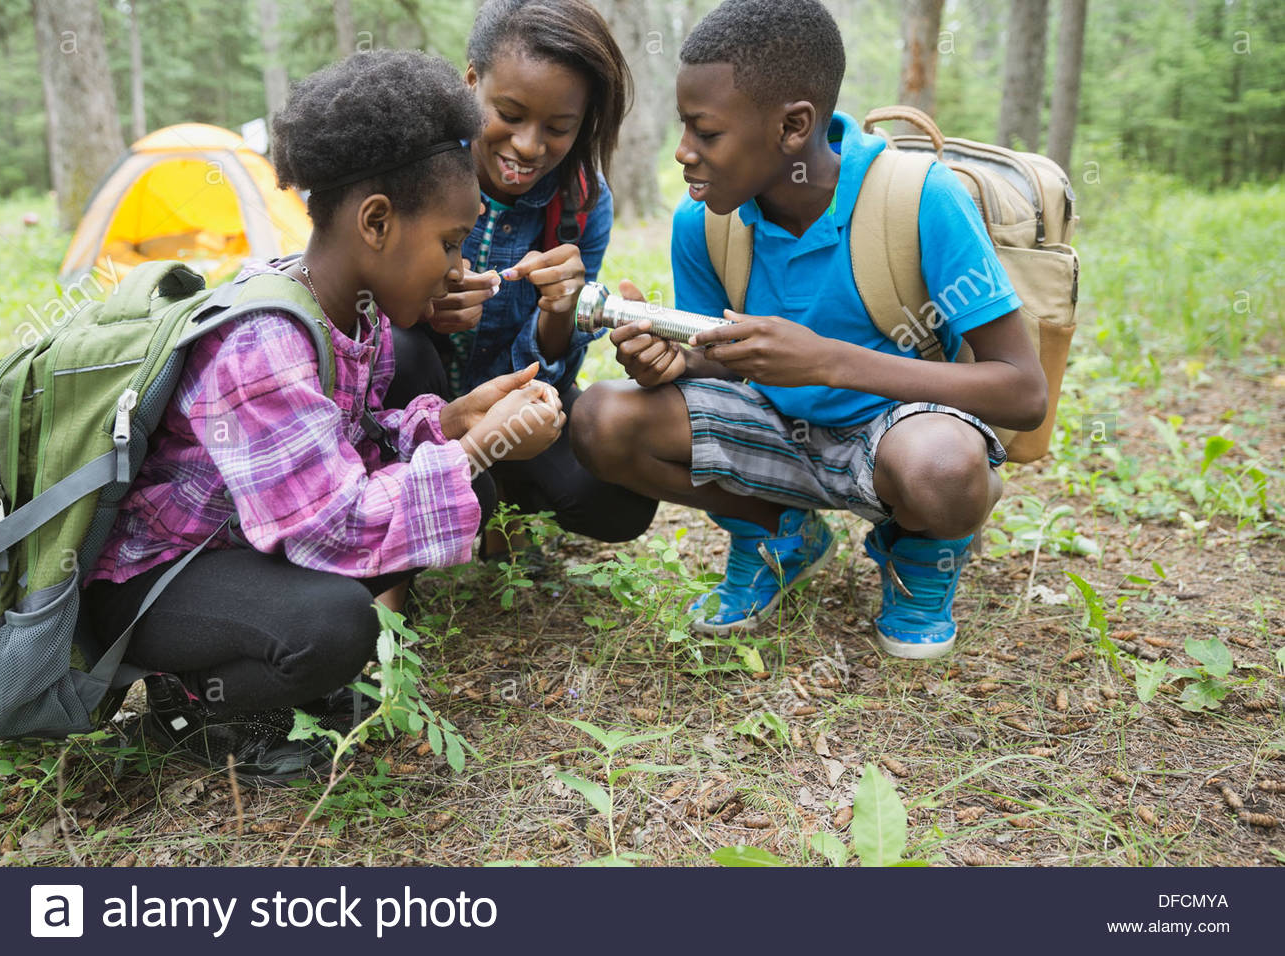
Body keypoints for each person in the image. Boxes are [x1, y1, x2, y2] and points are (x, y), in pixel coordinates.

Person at [80, 50, 565, 783]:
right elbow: (332, 525)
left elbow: (351, 445)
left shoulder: (349, 311)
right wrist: (480, 448)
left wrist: (456, 421)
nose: (459, 269)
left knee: (468, 492)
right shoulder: (263, 342)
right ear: (376, 222)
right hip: (150, 581)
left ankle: (257, 673)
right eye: (450, 242)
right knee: (335, 625)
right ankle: (188, 708)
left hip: (233, 546)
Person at [570, 0, 1047, 659]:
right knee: (601, 419)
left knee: (942, 468)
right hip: (776, 428)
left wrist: (830, 362)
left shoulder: (922, 200)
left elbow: (1024, 391)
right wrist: (676, 365)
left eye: (705, 133)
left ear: (793, 127)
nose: (683, 152)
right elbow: (728, 365)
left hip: (901, 432)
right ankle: (777, 533)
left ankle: (921, 549)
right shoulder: (704, 222)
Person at [387, 0, 658, 552]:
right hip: (414, 407)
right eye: (508, 114)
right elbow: (347, 304)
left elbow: (551, 370)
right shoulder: (412, 167)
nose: (530, 146)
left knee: (615, 504)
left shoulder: (583, 203)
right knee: (401, 347)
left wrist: (559, 311)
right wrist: (418, 302)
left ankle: (506, 487)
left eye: (559, 127)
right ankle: (422, 491)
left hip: (514, 398)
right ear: (471, 84)